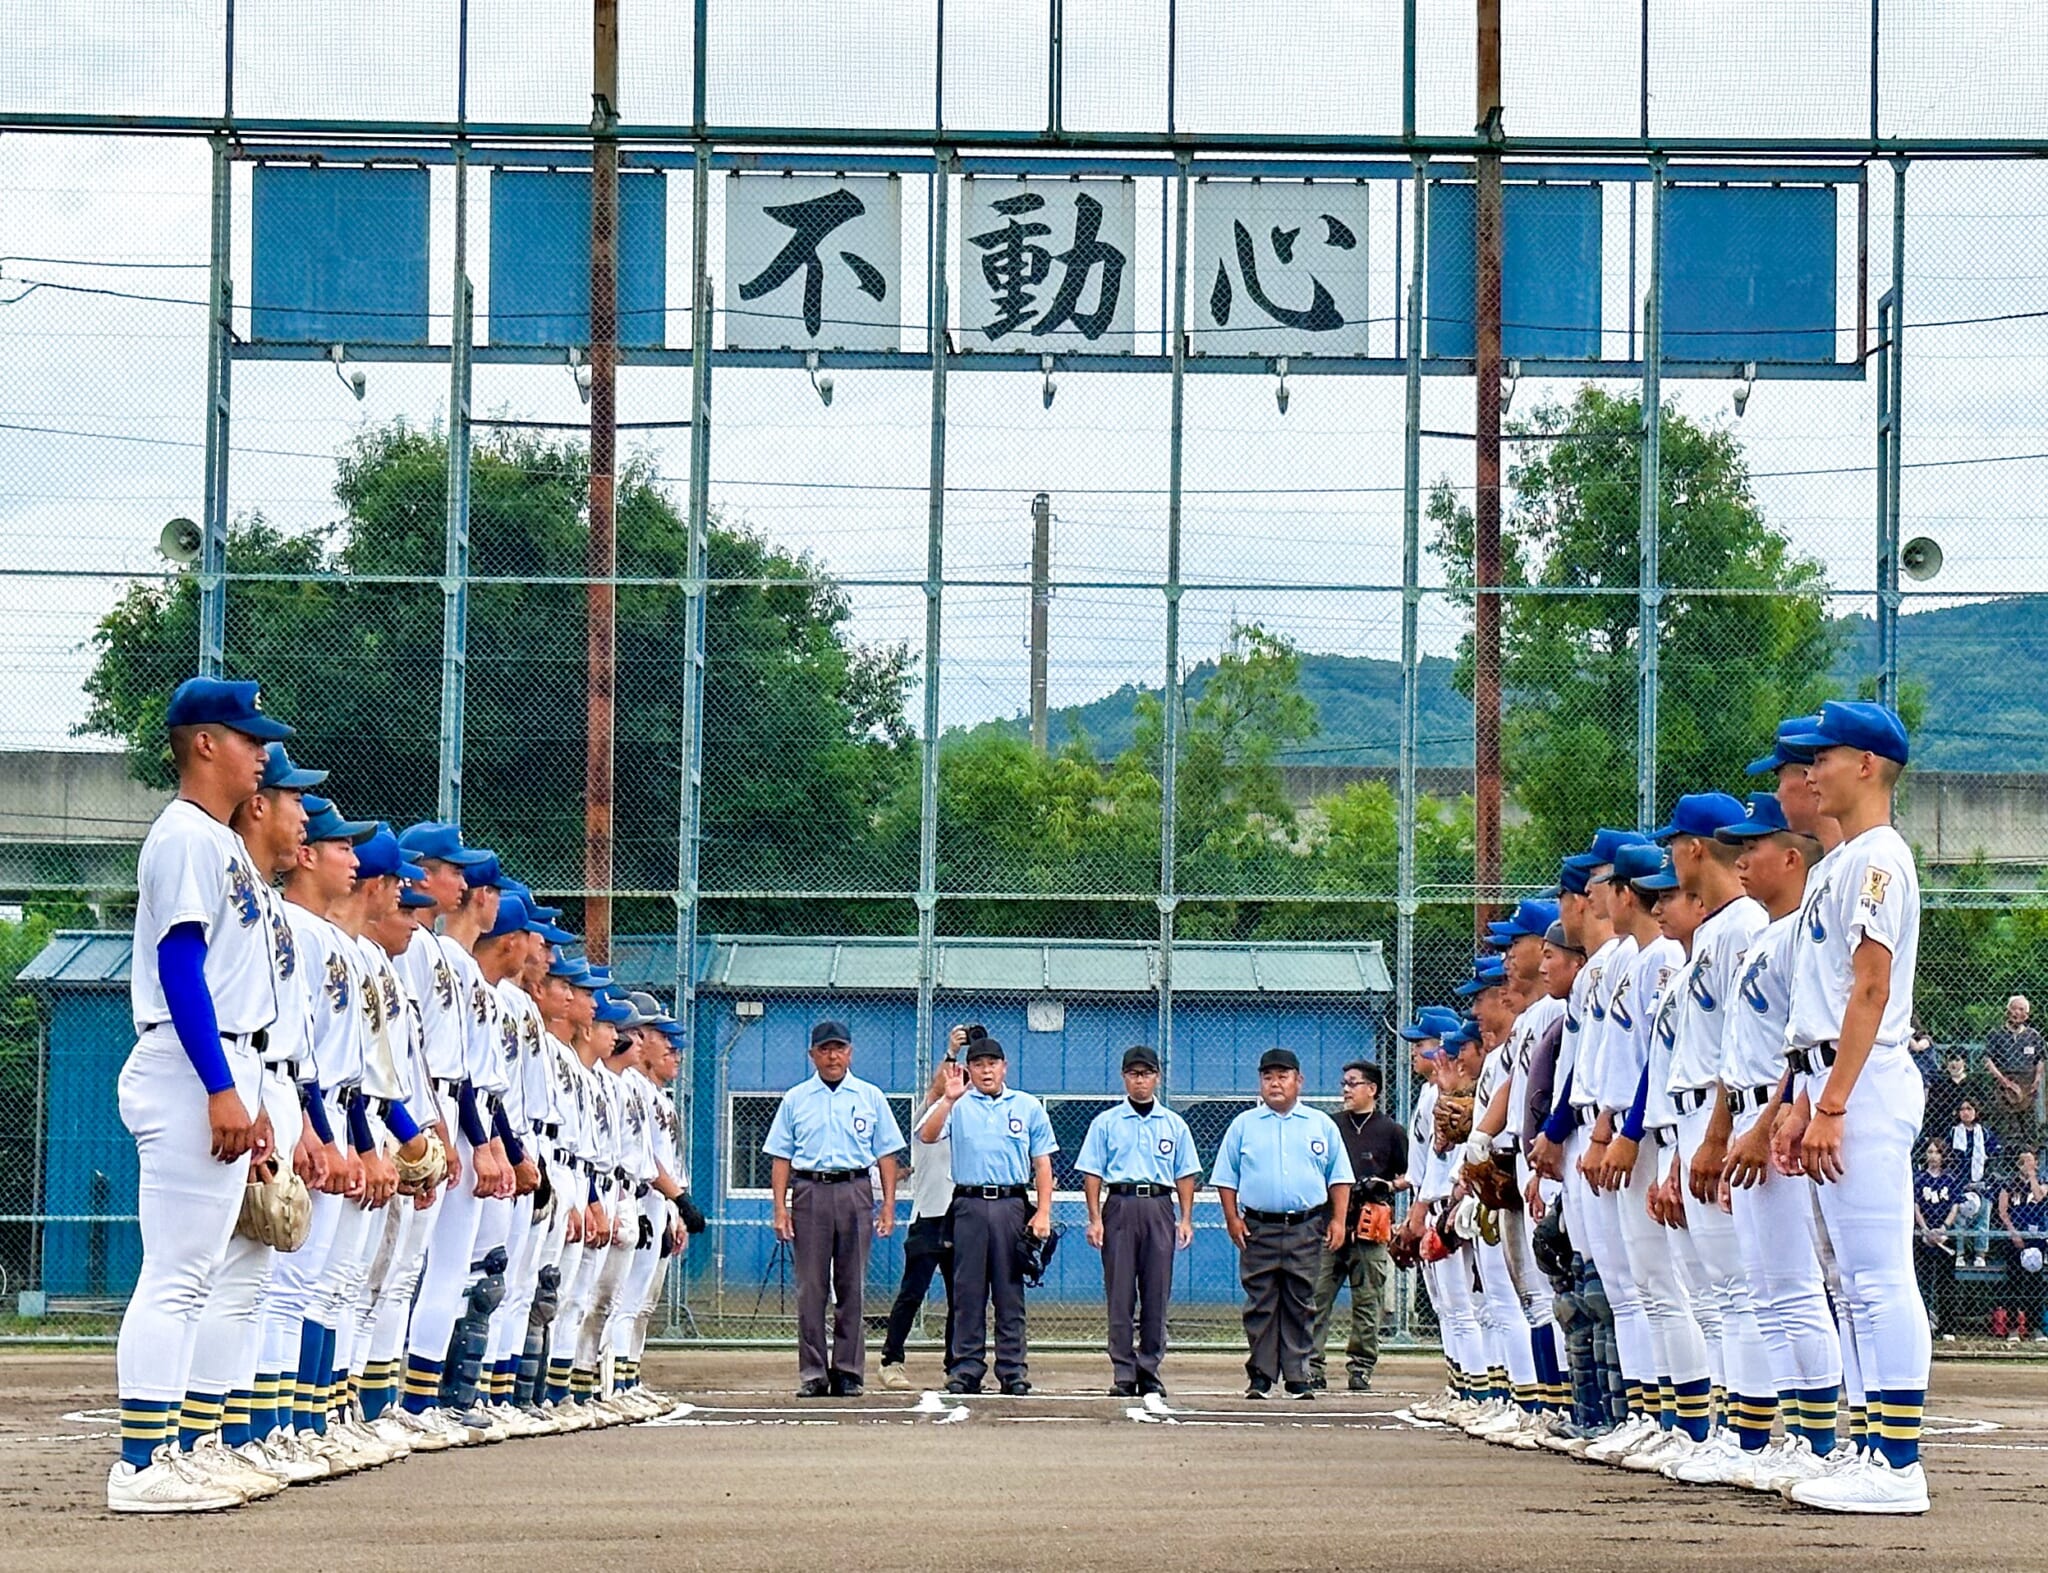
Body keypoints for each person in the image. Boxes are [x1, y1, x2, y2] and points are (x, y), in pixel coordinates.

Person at [110, 677, 293, 1513]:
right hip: (194, 1067)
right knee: (179, 1273)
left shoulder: (219, 844)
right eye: (248, 737)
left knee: (207, 1273)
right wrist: (222, 1086)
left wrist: (245, 1093)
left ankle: (187, 1445)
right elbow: (181, 965)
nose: (262, 751)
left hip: (224, 1066)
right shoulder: (185, 834)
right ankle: (142, 1462)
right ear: (205, 743)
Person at [1779, 701, 1930, 1514]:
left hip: (1863, 1079)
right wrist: (1806, 1101)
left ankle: (1899, 1464)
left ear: (1867, 764)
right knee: (1849, 1281)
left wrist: (1831, 1102)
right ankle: (1872, 1444)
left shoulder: (1880, 859)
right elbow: (1826, 995)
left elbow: (1870, 986)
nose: (1811, 771)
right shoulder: (1843, 862)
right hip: (1834, 1078)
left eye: (1825, 756)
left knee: (1877, 1278)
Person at [763, 1019, 905, 1398]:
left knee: (852, 1285)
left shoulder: (870, 1096)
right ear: (812, 1055)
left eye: (838, 1048)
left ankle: (848, 1370)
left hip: (856, 1190)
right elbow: (781, 1157)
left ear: (850, 1052)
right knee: (811, 1287)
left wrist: (888, 1204)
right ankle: (813, 1372)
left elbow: (887, 1153)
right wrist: (781, 1208)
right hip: (810, 1191)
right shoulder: (796, 1099)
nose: (832, 1056)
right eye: (824, 1049)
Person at [1211, 1048, 1353, 1400]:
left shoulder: (1321, 1125)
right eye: (1268, 1077)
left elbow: (1339, 1177)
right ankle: (1260, 1374)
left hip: (1306, 1227)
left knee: (1301, 1299)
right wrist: (1232, 1218)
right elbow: (1226, 1178)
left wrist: (1337, 1220)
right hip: (1258, 1227)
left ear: (1298, 1081)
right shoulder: (1243, 1125)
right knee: (1260, 1302)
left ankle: (1298, 1373)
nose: (1275, 1084)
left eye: (1282, 1076)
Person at [919, 1034, 1056, 1396]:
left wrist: (1042, 1212)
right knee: (968, 1292)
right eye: (978, 1064)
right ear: (969, 1069)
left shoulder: (1026, 1107)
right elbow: (927, 1136)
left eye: (992, 1064)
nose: (986, 1071)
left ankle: (1013, 1370)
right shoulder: (959, 1104)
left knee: (1010, 1292)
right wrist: (948, 1099)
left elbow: (1042, 1163)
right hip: (969, 1205)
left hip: (1012, 1205)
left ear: (1004, 1067)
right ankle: (966, 1368)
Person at [1077, 1044, 1200, 1398]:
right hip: (1120, 1205)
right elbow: (1092, 1174)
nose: (1140, 1081)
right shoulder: (1107, 1123)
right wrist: (1095, 1218)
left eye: (1146, 1074)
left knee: (1156, 1291)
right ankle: (1123, 1371)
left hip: (1159, 1206)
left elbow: (1186, 1174)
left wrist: (1186, 1218)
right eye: (1134, 1074)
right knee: (1119, 1293)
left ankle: (1149, 1368)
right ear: (1124, 1078)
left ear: (1157, 1078)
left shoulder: (1173, 1124)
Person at [879, 1026, 970, 1390]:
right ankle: (891, 1361)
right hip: (928, 1218)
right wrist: (951, 1052)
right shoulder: (929, 1113)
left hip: (961, 1218)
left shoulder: (973, 1118)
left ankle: (955, 1364)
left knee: (960, 1297)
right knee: (912, 1292)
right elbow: (939, 1085)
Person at [1309, 1060, 1405, 1394]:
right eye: (1344, 1083)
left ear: (1372, 1089)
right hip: (1330, 1225)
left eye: (1353, 1083)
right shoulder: (1329, 1126)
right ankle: (1311, 1366)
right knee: (1316, 1298)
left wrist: (1386, 1186)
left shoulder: (1391, 1131)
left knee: (1368, 1302)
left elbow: (1410, 1174)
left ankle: (1361, 1367)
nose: (1346, 1090)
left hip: (1369, 1229)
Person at [1997, 1149, 2048, 1341]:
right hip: (2015, 1238)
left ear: (2036, 1163)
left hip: (2035, 1238)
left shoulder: (2042, 1183)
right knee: (2013, 1283)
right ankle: (2012, 1328)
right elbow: (2003, 1211)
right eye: (2022, 1162)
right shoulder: (2009, 1184)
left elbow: (2040, 1197)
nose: (2026, 1165)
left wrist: (2032, 1176)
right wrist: (2013, 1233)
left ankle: (2036, 1328)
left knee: (2035, 1283)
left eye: (2030, 1161)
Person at [1912, 1140, 1959, 1340]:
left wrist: (1944, 1228)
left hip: (1944, 1235)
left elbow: (1955, 1205)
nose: (1933, 1156)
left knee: (1945, 1282)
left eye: (1937, 1152)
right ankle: (1922, 1325)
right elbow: (1915, 1206)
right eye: (1929, 1152)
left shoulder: (1951, 1179)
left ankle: (1947, 1327)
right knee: (1921, 1281)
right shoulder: (1919, 1179)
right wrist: (1924, 1230)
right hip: (1923, 1235)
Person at [1983, 996, 2046, 1144]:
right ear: (2007, 1011)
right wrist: (2003, 1081)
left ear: (2027, 1015)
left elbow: (2041, 1059)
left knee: (2030, 1131)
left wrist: (2037, 1080)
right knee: (2007, 1132)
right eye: (2014, 1008)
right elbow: (1987, 1060)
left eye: (2021, 1009)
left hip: (2028, 1088)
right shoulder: (1996, 1034)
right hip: (2004, 1089)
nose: (2017, 1012)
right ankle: (2007, 1162)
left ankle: (2031, 1160)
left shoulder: (2033, 1036)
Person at [1950, 1099, 2001, 1268]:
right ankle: (1960, 1253)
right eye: (1962, 1109)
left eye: (1969, 1108)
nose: (1965, 1112)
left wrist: (1985, 1178)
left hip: (1982, 1183)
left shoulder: (1984, 1133)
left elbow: (1995, 1155)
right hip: (1960, 1184)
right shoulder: (1953, 1133)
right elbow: (1950, 1159)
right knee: (1960, 1220)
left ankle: (1980, 1254)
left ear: (1976, 1112)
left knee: (1982, 1220)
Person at [1926, 1049, 1992, 1148]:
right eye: (1950, 1060)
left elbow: (1984, 1105)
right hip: (1944, 1128)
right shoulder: (1939, 1084)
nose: (1953, 1064)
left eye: (1957, 1060)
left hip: (1969, 1129)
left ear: (1964, 1061)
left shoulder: (1973, 1083)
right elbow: (1932, 1109)